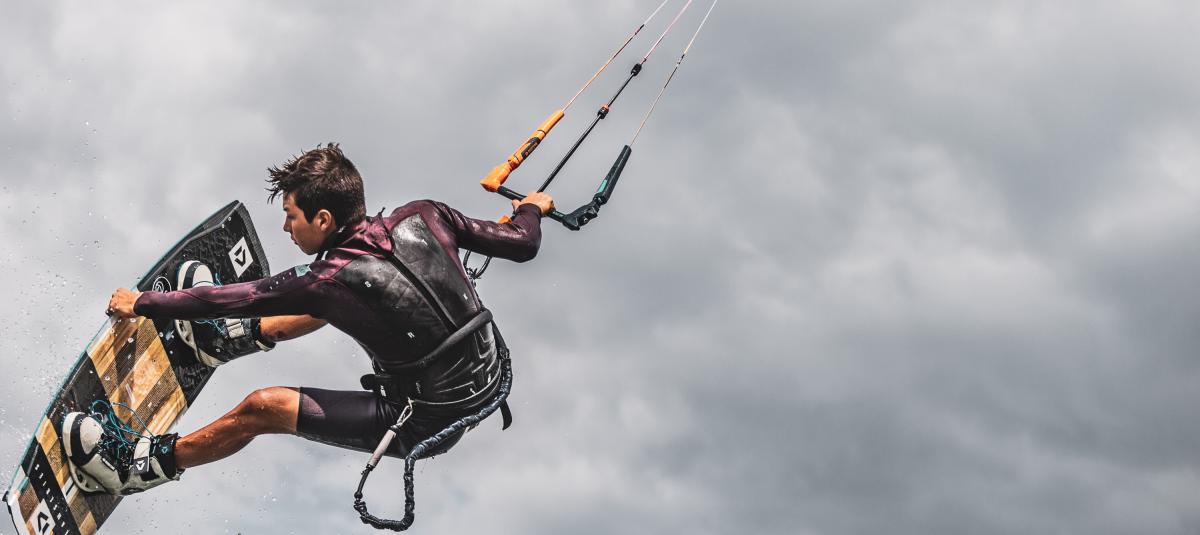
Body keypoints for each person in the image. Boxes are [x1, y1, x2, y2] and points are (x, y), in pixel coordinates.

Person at [59, 143, 554, 495]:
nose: (285, 226)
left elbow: (229, 298)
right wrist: (530, 208)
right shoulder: (425, 214)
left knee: (264, 406)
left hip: (421, 418)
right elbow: (523, 241)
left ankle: (140, 467)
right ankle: (232, 340)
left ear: (323, 219)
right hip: (484, 382)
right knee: (347, 299)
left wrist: (141, 303)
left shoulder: (326, 279)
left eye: (291, 215)